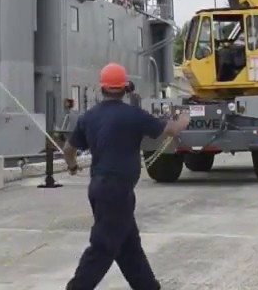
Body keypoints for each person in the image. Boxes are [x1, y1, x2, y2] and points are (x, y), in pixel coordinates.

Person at [62, 62, 189, 290]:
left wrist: (72, 167)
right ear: (125, 88)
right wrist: (184, 120)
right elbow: (169, 130)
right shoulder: (134, 115)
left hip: (100, 188)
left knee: (129, 246)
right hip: (117, 190)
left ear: (102, 88)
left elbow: (68, 150)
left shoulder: (89, 117)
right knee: (103, 247)